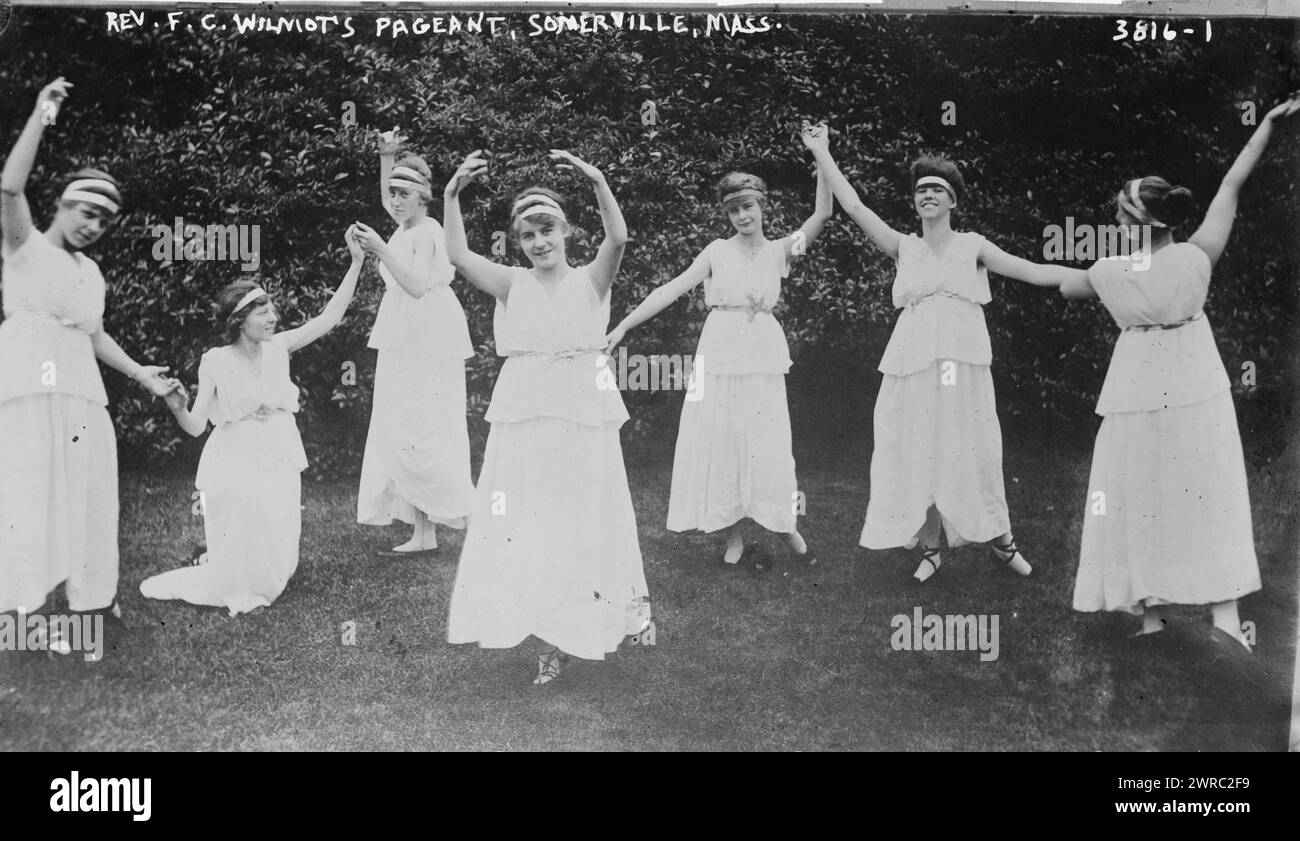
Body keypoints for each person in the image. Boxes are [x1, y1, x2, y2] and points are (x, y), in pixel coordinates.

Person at [1060, 94, 1300, 647]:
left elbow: (1055, 279)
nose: (1115, 221)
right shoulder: (1195, 257)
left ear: (1138, 221)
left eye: (1120, 214)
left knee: (1139, 490)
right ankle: (1219, 615)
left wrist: (984, 257)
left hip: (1145, 385)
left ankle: (1155, 615)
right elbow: (1231, 187)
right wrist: (1262, 126)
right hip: (1193, 381)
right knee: (1206, 487)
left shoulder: (1109, 272)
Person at [802, 125, 1060, 582]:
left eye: (937, 189)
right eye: (921, 190)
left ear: (953, 201)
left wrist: (1099, 276)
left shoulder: (973, 246)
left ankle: (1004, 544)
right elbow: (855, 206)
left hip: (963, 367)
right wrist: (820, 151)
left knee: (975, 452)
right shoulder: (905, 246)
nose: (927, 195)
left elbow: (1034, 271)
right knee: (918, 450)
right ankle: (931, 551)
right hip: (911, 363)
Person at [442, 149, 652, 685]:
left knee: (584, 515)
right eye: (529, 236)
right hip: (527, 406)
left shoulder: (591, 281)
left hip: (582, 407)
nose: (540, 243)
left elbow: (620, 239)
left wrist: (599, 179)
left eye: (548, 231)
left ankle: (590, 623)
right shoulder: (513, 283)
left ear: (565, 231)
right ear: (519, 244)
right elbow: (460, 255)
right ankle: (542, 630)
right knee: (529, 519)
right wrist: (450, 195)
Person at [604, 135, 831, 569]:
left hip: (762, 353)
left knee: (767, 440)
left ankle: (786, 527)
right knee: (723, 439)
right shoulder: (716, 252)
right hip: (721, 348)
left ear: (763, 206)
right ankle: (734, 535)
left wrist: (820, 153)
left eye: (748, 206)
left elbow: (822, 213)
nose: (742, 216)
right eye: (733, 209)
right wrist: (623, 326)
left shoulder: (782, 250)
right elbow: (670, 289)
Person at [0, 77, 173, 620]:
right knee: (27, 490)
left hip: (80, 390)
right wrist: (42, 113)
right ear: (62, 205)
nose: (93, 226)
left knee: (91, 493)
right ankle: (19, 600)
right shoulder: (24, 246)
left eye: (103, 220)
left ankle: (91, 598)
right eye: (86, 213)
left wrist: (141, 373)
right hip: (28, 384)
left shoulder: (91, 271)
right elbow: (8, 188)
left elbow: (92, 333)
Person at [140, 228, 364, 615]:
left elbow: (332, 315)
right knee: (245, 516)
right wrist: (178, 405)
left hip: (278, 446)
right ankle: (231, 575)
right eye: (264, 312)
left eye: (272, 310)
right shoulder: (216, 360)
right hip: (235, 454)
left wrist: (357, 262)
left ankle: (254, 573)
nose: (273, 318)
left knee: (279, 524)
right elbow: (195, 426)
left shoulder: (280, 346)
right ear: (239, 319)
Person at [352, 128, 475, 556]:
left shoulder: (427, 231)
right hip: (403, 333)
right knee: (404, 426)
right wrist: (387, 155)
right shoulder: (405, 229)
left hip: (427, 335)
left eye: (405, 193)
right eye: (393, 193)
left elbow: (418, 285)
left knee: (426, 425)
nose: (396, 200)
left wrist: (381, 249)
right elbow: (390, 205)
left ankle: (460, 515)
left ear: (424, 197)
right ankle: (424, 533)